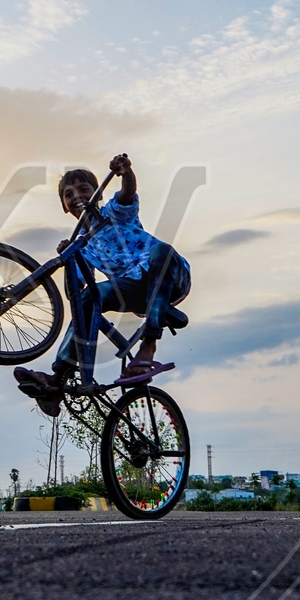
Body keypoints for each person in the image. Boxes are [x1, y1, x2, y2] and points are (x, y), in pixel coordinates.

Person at [14, 153, 191, 416]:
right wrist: (71, 258)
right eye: (69, 195)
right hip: (132, 290)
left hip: (169, 275)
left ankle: (148, 345)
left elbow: (128, 191)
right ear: (64, 207)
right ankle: (58, 379)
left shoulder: (113, 213)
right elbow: (75, 294)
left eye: (84, 189)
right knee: (89, 299)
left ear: (97, 194)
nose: (77, 197)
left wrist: (126, 171)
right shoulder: (82, 243)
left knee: (161, 252)